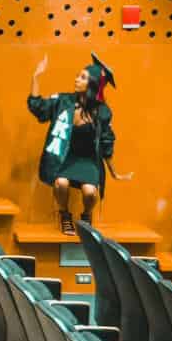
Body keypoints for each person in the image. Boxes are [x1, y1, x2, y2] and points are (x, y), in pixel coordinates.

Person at [28, 54, 130, 234]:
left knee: (90, 192)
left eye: (83, 77)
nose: (76, 80)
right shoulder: (63, 101)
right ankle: (64, 214)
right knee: (61, 183)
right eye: (77, 75)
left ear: (93, 85)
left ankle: (86, 217)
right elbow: (38, 107)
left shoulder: (102, 112)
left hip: (87, 160)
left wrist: (114, 172)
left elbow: (107, 142)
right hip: (64, 157)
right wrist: (35, 77)